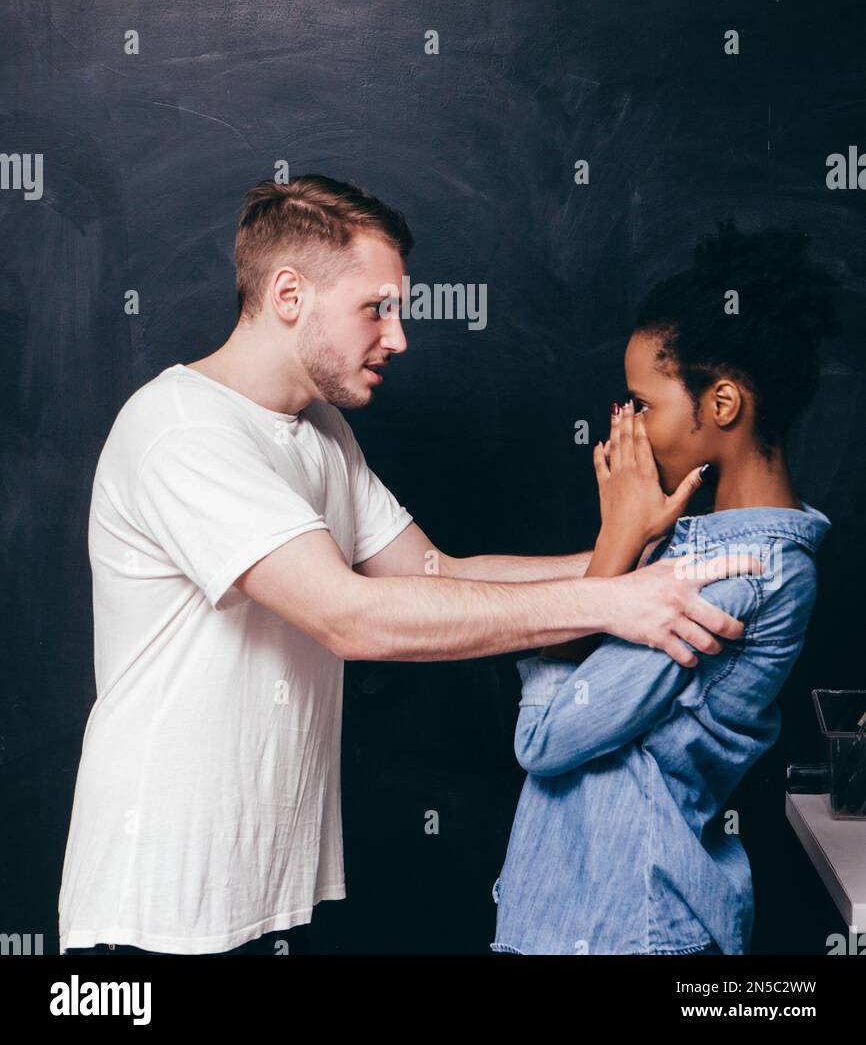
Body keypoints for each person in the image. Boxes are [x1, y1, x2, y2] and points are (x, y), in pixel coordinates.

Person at [59, 176, 755, 956]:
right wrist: (611, 602)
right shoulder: (182, 430)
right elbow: (350, 616)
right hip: (157, 908)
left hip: (260, 894)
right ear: (289, 293)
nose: (398, 338)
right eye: (376, 308)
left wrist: (631, 558)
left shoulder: (318, 431)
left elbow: (430, 571)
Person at [491, 221, 837, 955]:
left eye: (641, 403)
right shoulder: (694, 548)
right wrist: (629, 542)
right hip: (592, 918)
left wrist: (619, 536)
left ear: (720, 406)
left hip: (634, 925)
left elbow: (545, 740)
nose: (629, 427)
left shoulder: (741, 573)